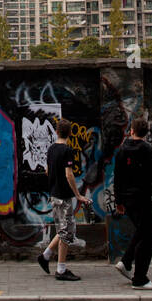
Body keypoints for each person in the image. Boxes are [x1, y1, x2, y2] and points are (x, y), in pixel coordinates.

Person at [112, 117, 152, 290]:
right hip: (141, 199)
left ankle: (126, 263)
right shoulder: (148, 151)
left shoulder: (121, 151)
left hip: (127, 199)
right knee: (147, 237)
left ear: (131, 131)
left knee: (142, 232)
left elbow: (117, 178)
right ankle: (139, 278)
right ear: (146, 133)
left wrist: (118, 201)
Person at [38, 119, 89, 281]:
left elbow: (47, 171)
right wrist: (78, 194)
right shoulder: (67, 150)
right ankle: (60, 270)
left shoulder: (51, 149)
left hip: (54, 193)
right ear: (69, 133)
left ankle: (45, 256)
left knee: (65, 230)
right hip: (63, 196)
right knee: (66, 232)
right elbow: (69, 174)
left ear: (56, 132)